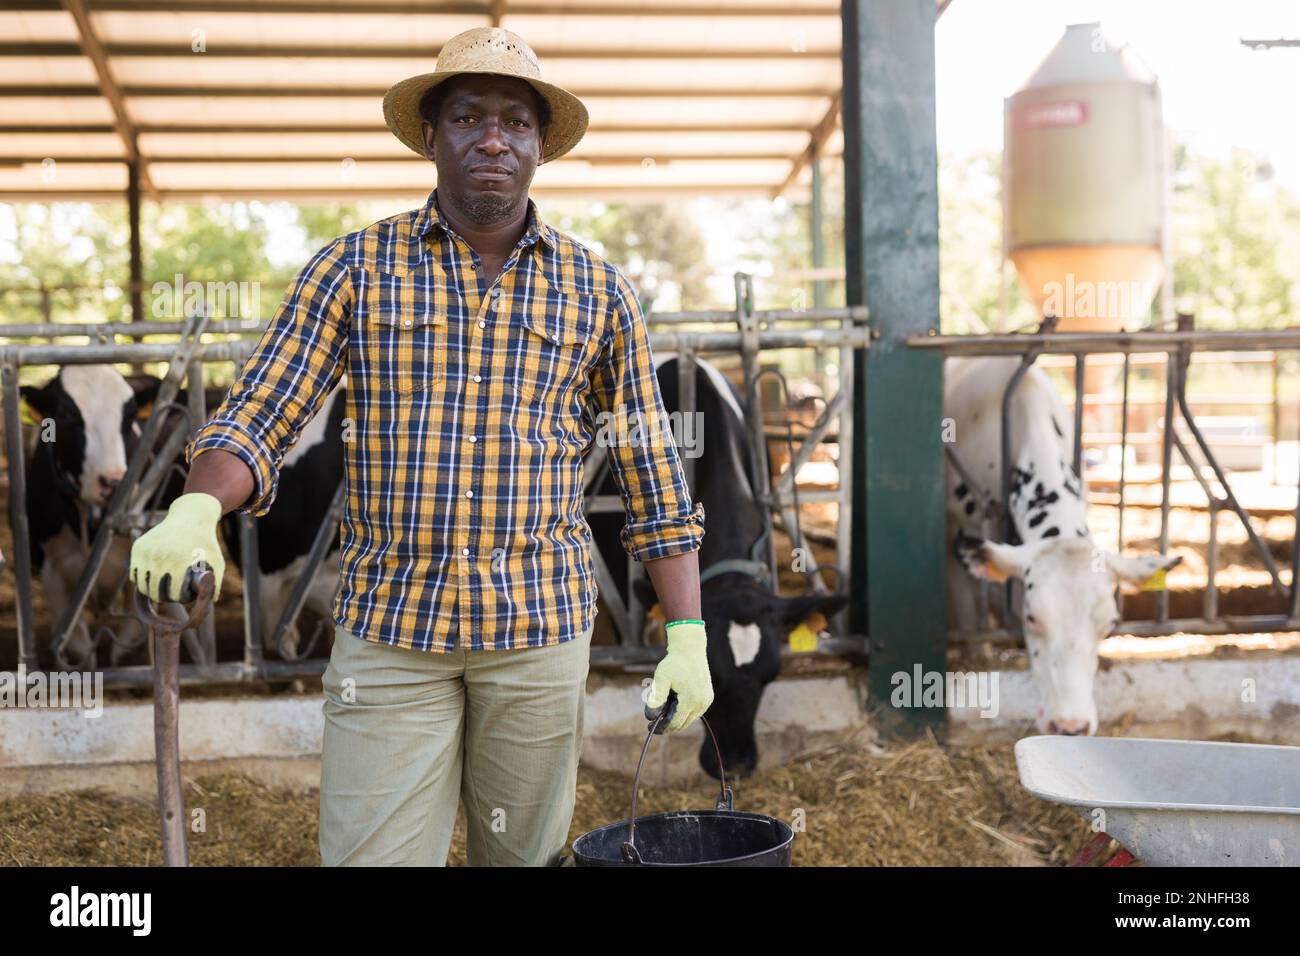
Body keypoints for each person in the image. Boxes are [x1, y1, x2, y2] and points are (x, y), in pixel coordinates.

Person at [128, 26, 711, 866]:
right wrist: (194, 508)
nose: (494, 138)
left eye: (515, 120)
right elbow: (263, 409)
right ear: (431, 135)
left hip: (537, 630)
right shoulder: (355, 269)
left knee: (526, 859)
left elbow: (652, 470)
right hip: (391, 631)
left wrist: (686, 632)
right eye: (469, 116)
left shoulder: (598, 290)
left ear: (541, 146)